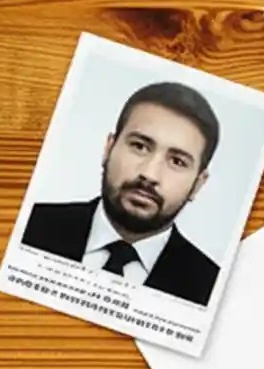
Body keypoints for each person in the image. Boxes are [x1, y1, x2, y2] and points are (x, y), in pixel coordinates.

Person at [22, 82, 221, 306]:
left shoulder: (211, 290)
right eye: (139, 146)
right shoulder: (27, 225)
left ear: (198, 184)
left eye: (177, 161)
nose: (149, 174)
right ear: (109, 148)